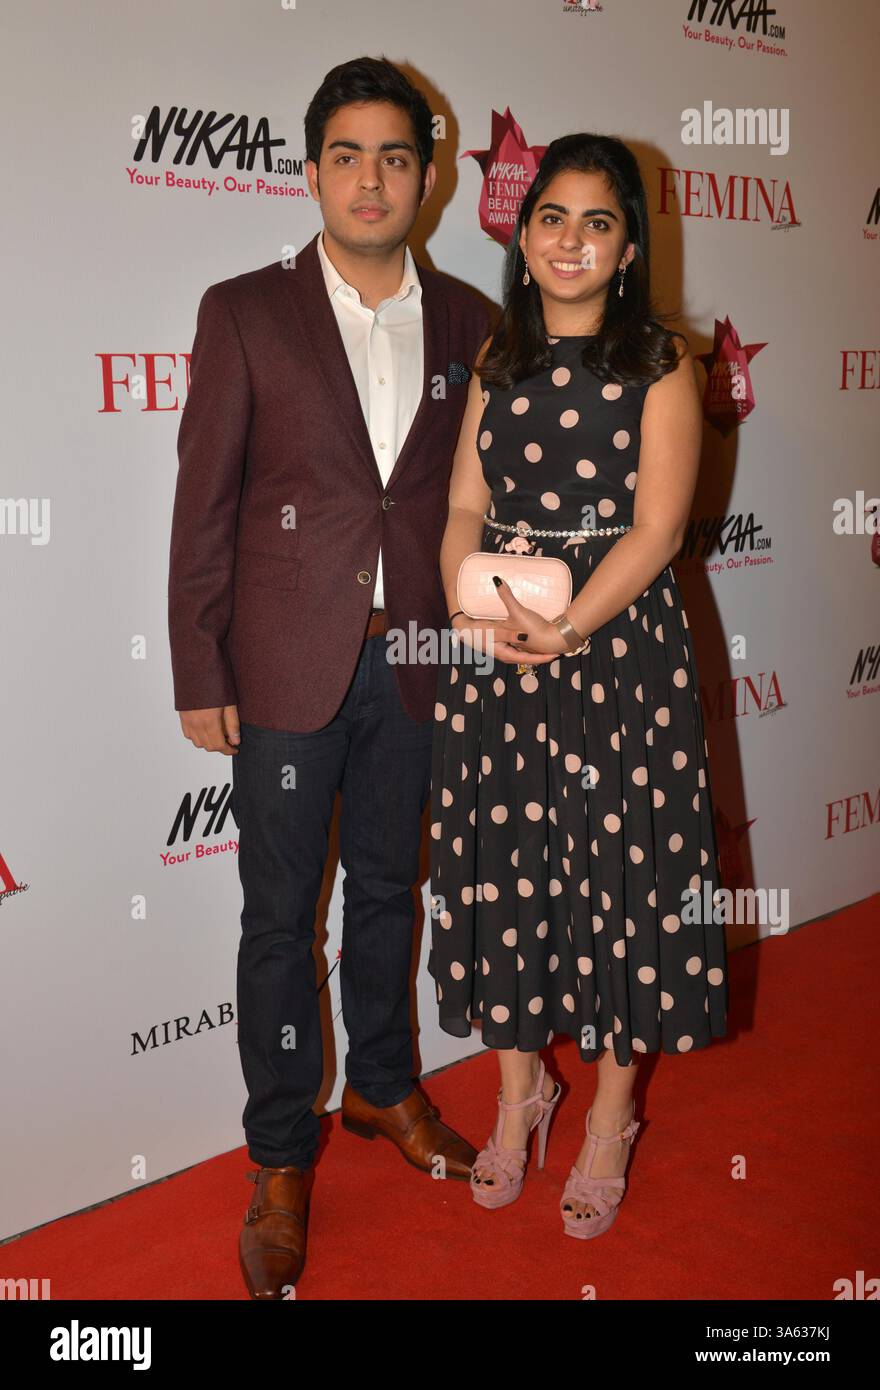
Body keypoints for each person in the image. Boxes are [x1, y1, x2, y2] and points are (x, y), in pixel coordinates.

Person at [168, 56, 490, 1298]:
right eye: (346, 156)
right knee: (273, 923)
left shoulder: (470, 319)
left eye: (395, 156)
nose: (371, 179)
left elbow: (479, 504)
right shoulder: (245, 308)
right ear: (309, 173)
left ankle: (387, 1089)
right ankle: (280, 1155)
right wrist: (199, 660)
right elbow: (205, 504)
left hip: (417, 661)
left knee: (389, 892)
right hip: (287, 668)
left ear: (430, 172)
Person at [429, 132, 729, 1239]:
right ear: (523, 232)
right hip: (499, 657)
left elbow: (656, 531)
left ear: (626, 246)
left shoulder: (658, 363)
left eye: (597, 222)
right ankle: (518, 1096)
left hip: (611, 657)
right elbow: (462, 503)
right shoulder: (494, 360)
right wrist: (465, 605)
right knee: (507, 876)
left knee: (618, 882)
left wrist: (566, 629)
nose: (570, 240)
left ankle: (607, 1116)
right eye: (552, 216)